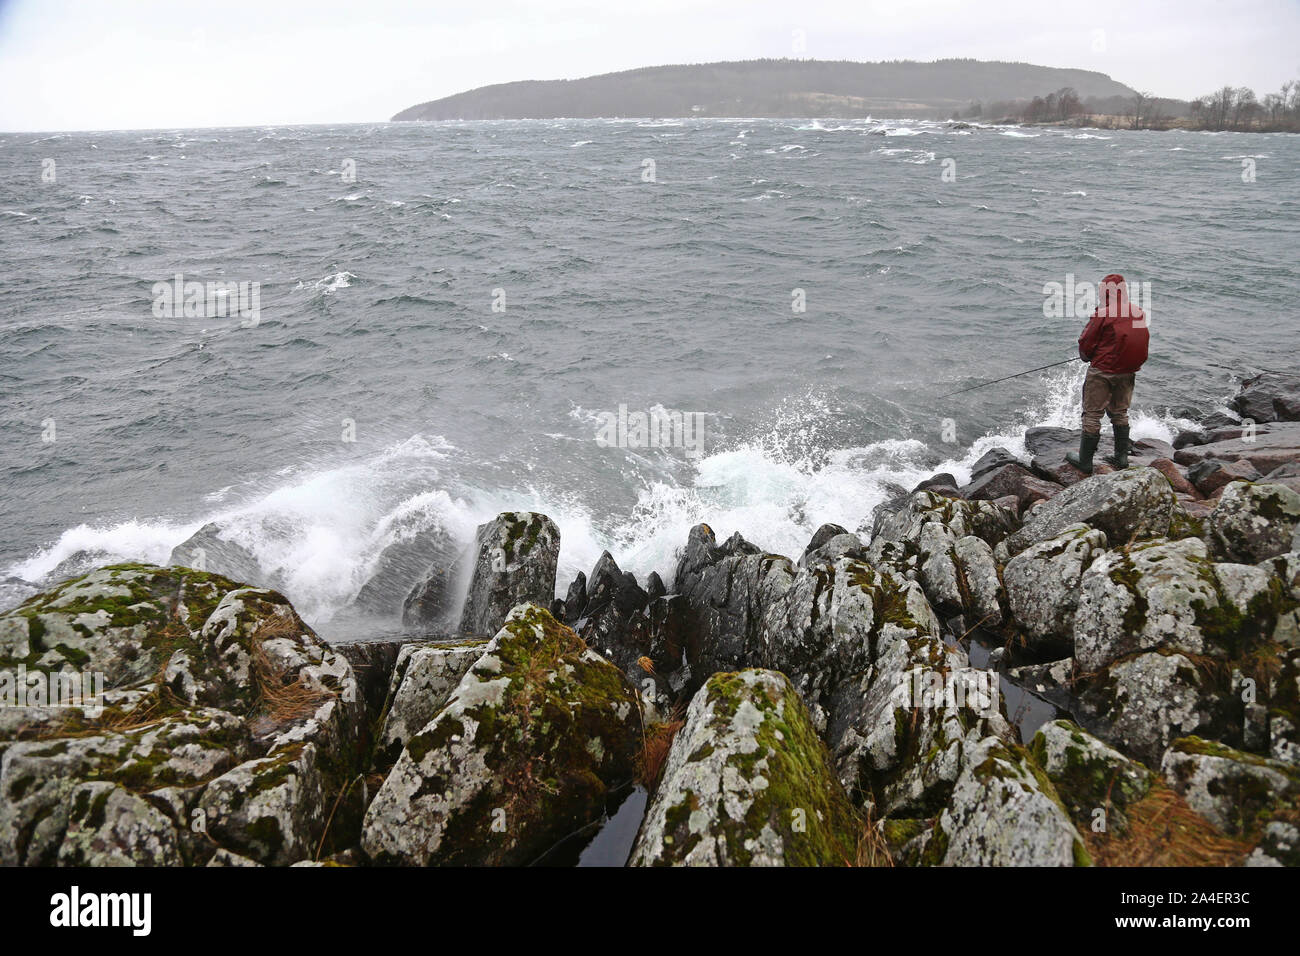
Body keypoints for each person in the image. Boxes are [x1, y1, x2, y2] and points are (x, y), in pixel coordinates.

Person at [1066, 273, 1149, 474]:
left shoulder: (1103, 313)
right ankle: (1121, 457)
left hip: (1103, 371)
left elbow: (1086, 343)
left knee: (1092, 414)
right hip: (1128, 371)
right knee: (1120, 412)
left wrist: (1087, 357)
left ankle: (1085, 461)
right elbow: (1140, 340)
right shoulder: (1138, 312)